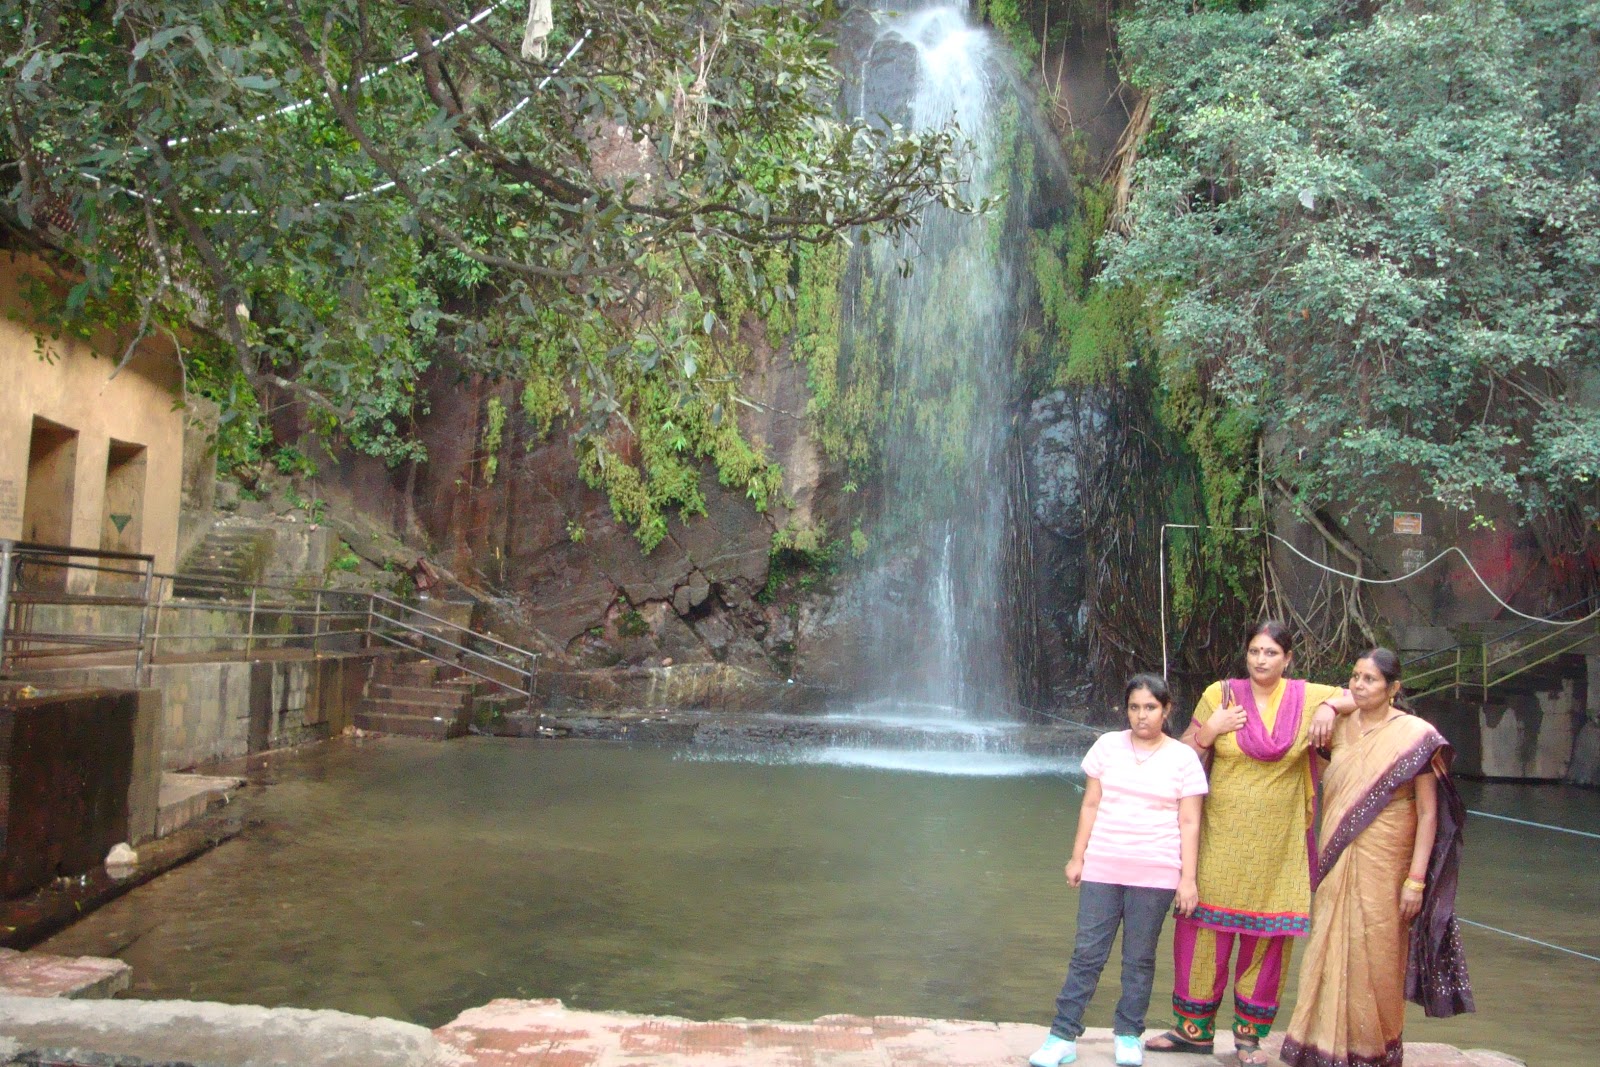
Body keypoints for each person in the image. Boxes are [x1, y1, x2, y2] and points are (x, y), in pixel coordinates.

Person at [1146, 621, 1353, 1066]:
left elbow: (1364, 694)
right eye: (1255, 651)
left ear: (1288, 659)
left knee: (1267, 937)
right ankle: (1192, 1031)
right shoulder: (1220, 695)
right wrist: (1210, 730)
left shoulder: (1308, 697)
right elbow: (1180, 755)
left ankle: (1248, 1039)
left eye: (1271, 653)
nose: (1261, 660)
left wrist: (1331, 708)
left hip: (1278, 846)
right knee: (1203, 931)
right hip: (1220, 836)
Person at [1280, 648, 1473, 1067]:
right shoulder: (1337, 727)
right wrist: (1331, 704)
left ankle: (1372, 1050)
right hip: (1337, 857)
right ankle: (1320, 1046)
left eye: (1370, 679)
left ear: (1394, 688)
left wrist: (1416, 880)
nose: (1359, 685)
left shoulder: (1414, 736)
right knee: (1329, 942)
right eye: (1355, 677)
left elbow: (1427, 813)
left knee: (1379, 952)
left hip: (1389, 863)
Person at [1030, 674, 1209, 1067]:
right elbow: (1090, 804)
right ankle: (1062, 1035)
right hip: (1103, 865)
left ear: (1167, 710)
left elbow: (1190, 822)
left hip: (1157, 870)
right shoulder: (1107, 746)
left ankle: (1128, 1034)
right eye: (1134, 707)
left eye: (1150, 708)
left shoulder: (1183, 758)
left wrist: (1188, 879)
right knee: (1087, 953)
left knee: (1139, 958)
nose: (1141, 716)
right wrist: (1078, 857)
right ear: (1125, 709)